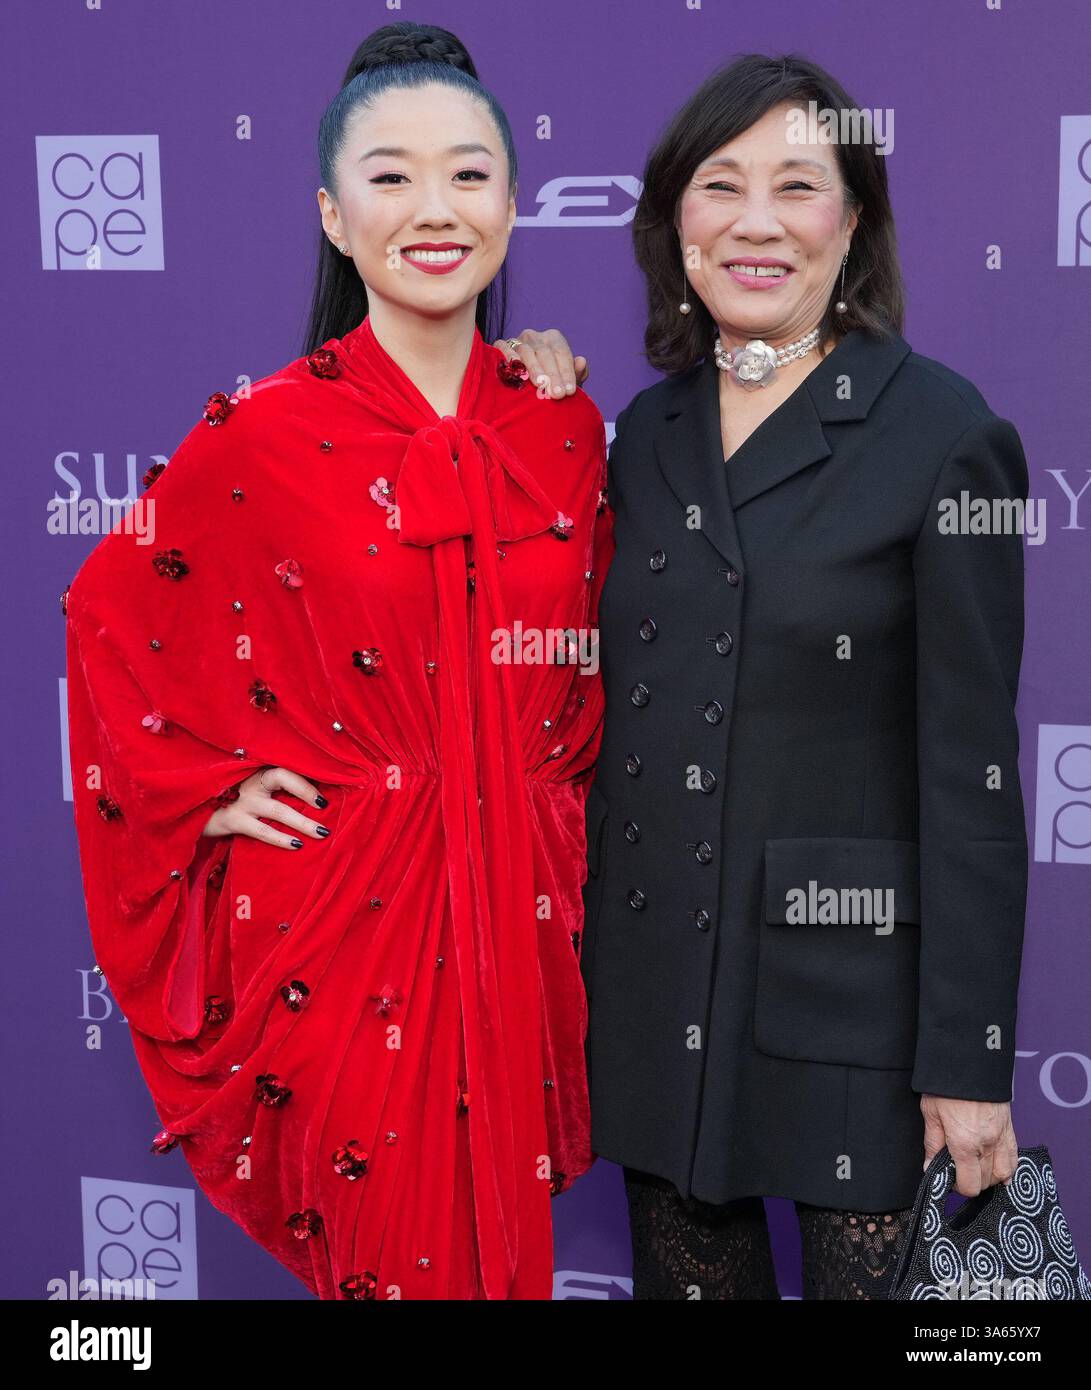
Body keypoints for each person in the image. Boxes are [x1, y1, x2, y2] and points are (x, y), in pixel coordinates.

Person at [63, 23, 612, 1301]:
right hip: (349, 925)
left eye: (470, 174)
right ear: (329, 210)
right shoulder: (265, 431)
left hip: (530, 928)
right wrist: (209, 792)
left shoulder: (569, 425)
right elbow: (111, 623)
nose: (435, 208)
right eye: (391, 174)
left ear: (514, 205)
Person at [504, 52, 1030, 1299]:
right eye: (717, 184)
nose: (754, 221)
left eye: (797, 186)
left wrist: (968, 1061)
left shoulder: (942, 436)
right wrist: (523, 413)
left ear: (850, 221)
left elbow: (972, 773)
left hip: (853, 1013)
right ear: (672, 223)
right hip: (658, 987)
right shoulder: (641, 433)